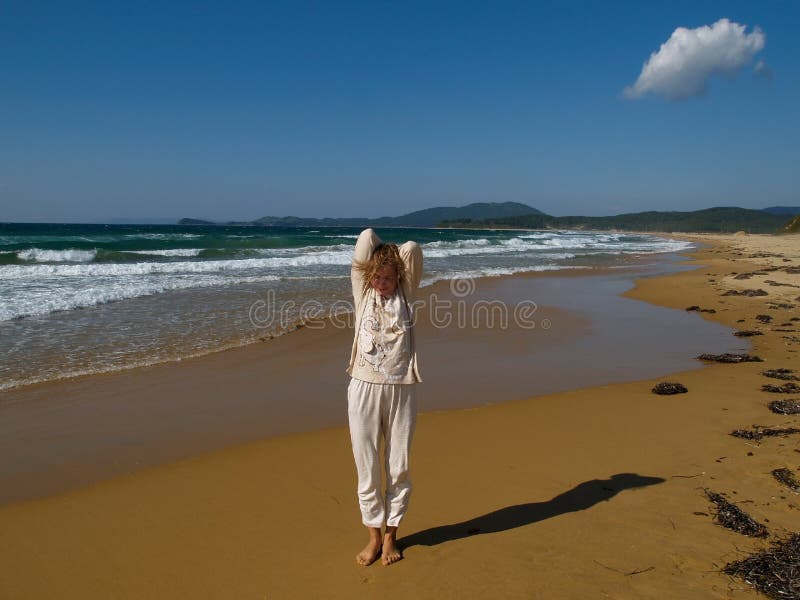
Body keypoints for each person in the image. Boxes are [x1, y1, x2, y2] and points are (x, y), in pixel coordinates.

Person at [346, 227, 423, 566]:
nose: (381, 282)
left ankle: (392, 534)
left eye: (387, 276)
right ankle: (373, 536)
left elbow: (412, 249)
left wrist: (391, 254)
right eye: (376, 276)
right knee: (366, 465)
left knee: (398, 466)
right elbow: (365, 238)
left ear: (398, 276)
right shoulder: (362, 293)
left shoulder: (407, 292)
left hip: (402, 387)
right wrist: (377, 256)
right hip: (363, 386)